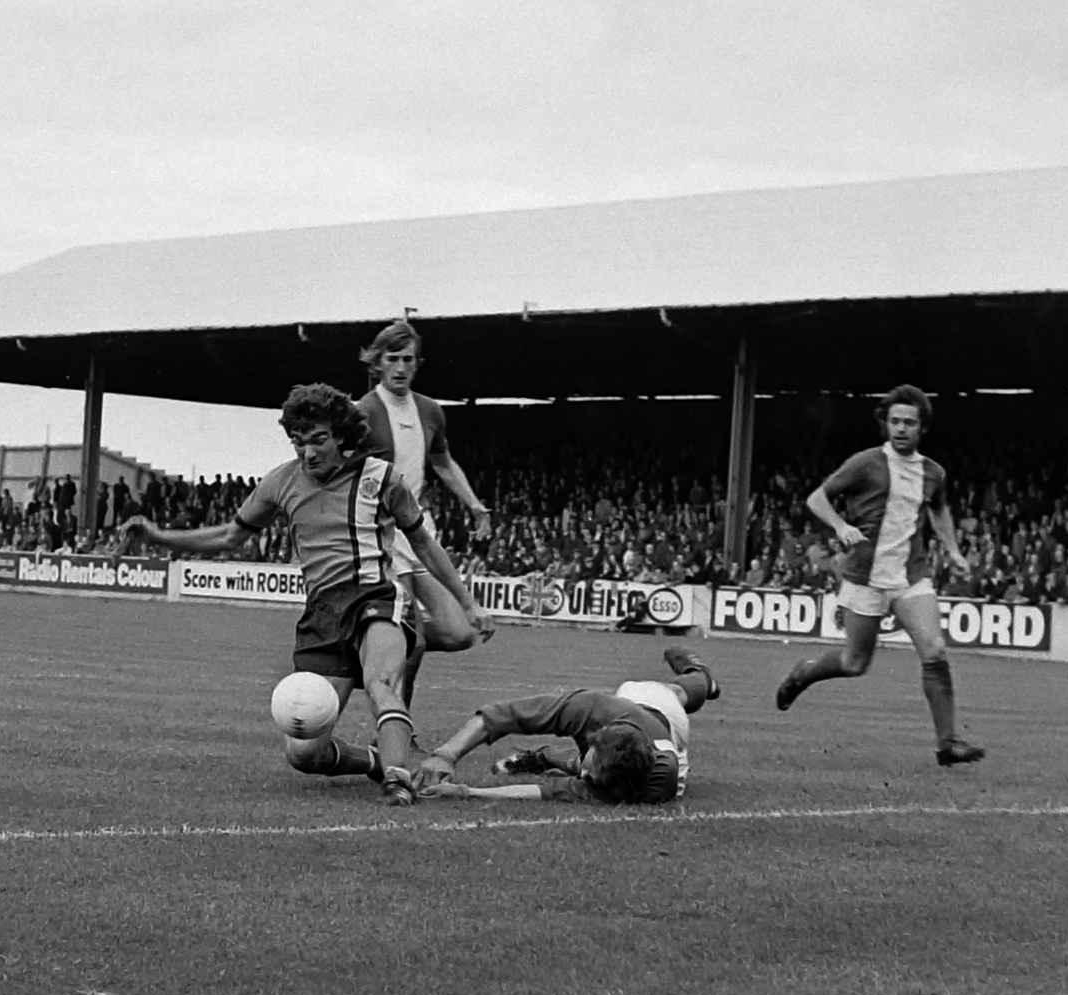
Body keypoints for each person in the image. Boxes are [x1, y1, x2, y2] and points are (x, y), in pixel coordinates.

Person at [125, 383, 492, 805]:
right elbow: (230, 536)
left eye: (318, 440)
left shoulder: (381, 478)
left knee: (382, 683)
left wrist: (468, 604)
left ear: (340, 436)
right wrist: (158, 535)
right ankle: (377, 763)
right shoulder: (280, 482)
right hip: (322, 615)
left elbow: (424, 544)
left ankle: (398, 780)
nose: (308, 452)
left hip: (376, 596)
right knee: (304, 753)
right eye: (298, 442)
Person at [773, 385, 984, 766]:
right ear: (885, 425)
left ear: (922, 428)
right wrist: (840, 526)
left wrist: (952, 550)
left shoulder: (933, 472)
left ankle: (947, 743)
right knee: (855, 663)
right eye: (895, 421)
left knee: (935, 650)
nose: (901, 428)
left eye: (909, 423)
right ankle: (801, 675)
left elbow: (939, 511)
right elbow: (816, 499)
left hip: (910, 579)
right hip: (864, 579)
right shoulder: (866, 463)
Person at [355, 320, 495, 703]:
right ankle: (396, 723)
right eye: (393, 358)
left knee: (458, 631)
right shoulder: (363, 413)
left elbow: (444, 463)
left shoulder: (430, 411)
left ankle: (372, 640)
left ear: (418, 364)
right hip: (379, 537)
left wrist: (474, 504)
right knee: (411, 638)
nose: (400, 367)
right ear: (378, 362)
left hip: (417, 530)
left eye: (408, 359)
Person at [416, 645, 719, 803]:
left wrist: (467, 792)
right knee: (667, 692)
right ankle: (701, 677)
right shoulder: (590, 708)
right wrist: (446, 755)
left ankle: (699, 675)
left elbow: (548, 791)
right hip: (649, 708)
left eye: (594, 775)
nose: (585, 774)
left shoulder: (653, 782)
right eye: (590, 764)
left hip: (670, 729)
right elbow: (504, 714)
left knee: (675, 694)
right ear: (596, 734)